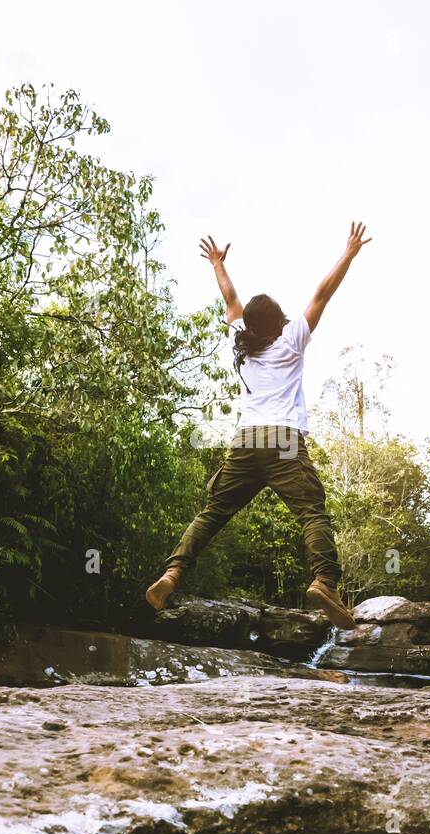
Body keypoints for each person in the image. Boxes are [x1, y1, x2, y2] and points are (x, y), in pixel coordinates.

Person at [145, 222, 373, 630]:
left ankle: (172, 574)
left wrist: (216, 263)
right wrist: (349, 253)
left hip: (246, 441)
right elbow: (322, 293)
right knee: (310, 512)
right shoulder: (292, 339)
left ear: (249, 325)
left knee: (213, 511)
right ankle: (325, 583)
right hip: (284, 440)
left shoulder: (239, 340)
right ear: (279, 321)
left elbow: (230, 297)